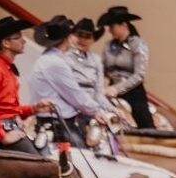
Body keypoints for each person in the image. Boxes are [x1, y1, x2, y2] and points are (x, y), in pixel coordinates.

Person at [29, 15, 113, 148]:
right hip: (58, 122)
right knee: (83, 157)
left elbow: (91, 93)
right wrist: (96, 111)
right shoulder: (56, 62)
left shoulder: (49, 59)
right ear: (68, 38)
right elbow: (75, 94)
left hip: (63, 117)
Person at [0, 16, 55, 154]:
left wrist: (34, 108)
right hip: (0, 130)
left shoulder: (7, 69)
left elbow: (10, 109)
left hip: (12, 126)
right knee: (39, 163)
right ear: (6, 43)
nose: (23, 41)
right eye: (18, 37)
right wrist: (2, 135)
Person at [98, 5, 153, 128]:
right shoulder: (108, 46)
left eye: (112, 27)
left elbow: (139, 75)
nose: (109, 30)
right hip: (110, 89)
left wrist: (117, 89)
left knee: (142, 117)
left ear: (123, 25)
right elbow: (102, 68)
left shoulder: (138, 44)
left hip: (132, 91)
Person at [68, 17, 113, 111]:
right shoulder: (65, 57)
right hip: (70, 104)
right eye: (80, 35)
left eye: (87, 36)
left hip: (92, 106)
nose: (83, 40)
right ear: (73, 36)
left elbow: (99, 93)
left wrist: (110, 109)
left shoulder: (96, 60)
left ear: (93, 39)